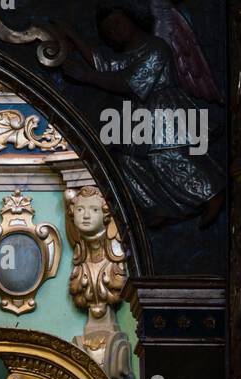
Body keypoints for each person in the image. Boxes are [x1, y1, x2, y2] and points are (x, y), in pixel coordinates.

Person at [49, 3, 224, 228]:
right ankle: (158, 206)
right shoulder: (129, 55)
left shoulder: (156, 49)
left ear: (132, 19)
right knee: (127, 158)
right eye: (108, 30)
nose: (114, 31)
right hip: (142, 118)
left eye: (117, 23)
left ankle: (211, 193)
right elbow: (106, 66)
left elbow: (127, 82)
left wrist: (85, 76)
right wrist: (73, 36)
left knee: (167, 154)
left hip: (165, 114)